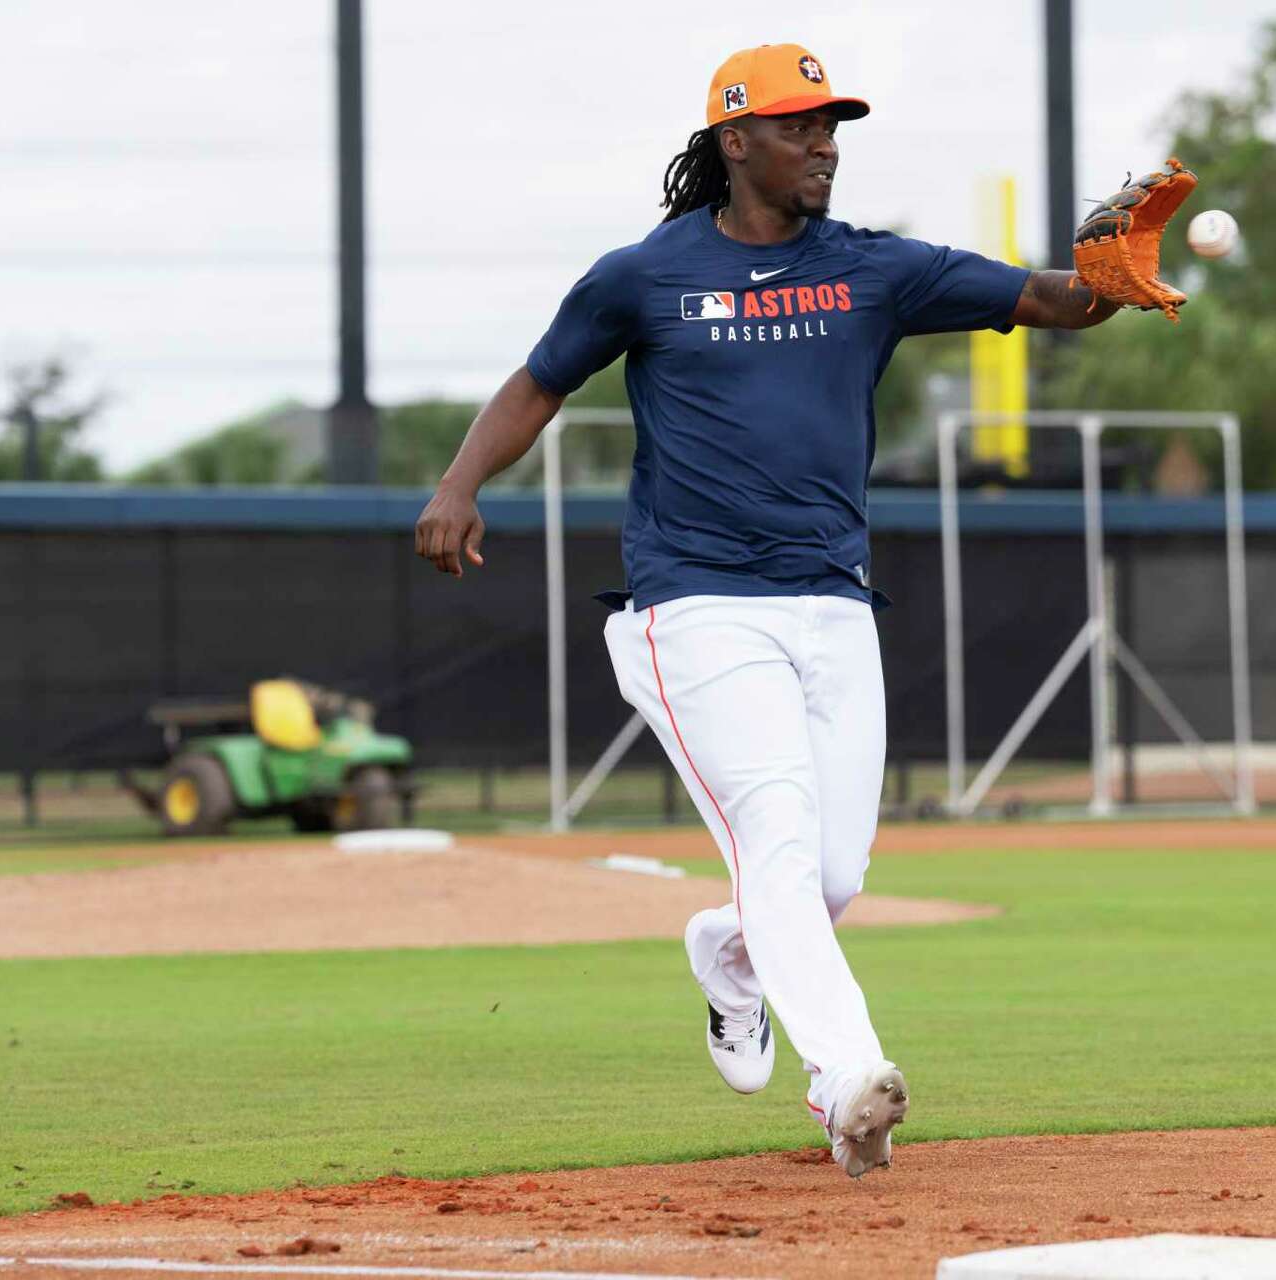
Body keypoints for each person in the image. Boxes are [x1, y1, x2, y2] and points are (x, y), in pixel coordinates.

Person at [415, 43, 1124, 1179]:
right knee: (780, 834)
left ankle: (729, 954)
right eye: (800, 127)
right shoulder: (645, 276)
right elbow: (538, 381)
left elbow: (1051, 299)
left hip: (834, 605)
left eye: (833, 127)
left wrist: (1107, 279)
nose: (825, 145)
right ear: (734, 142)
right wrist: (459, 483)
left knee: (832, 875)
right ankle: (847, 1076)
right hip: (695, 607)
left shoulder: (874, 269)